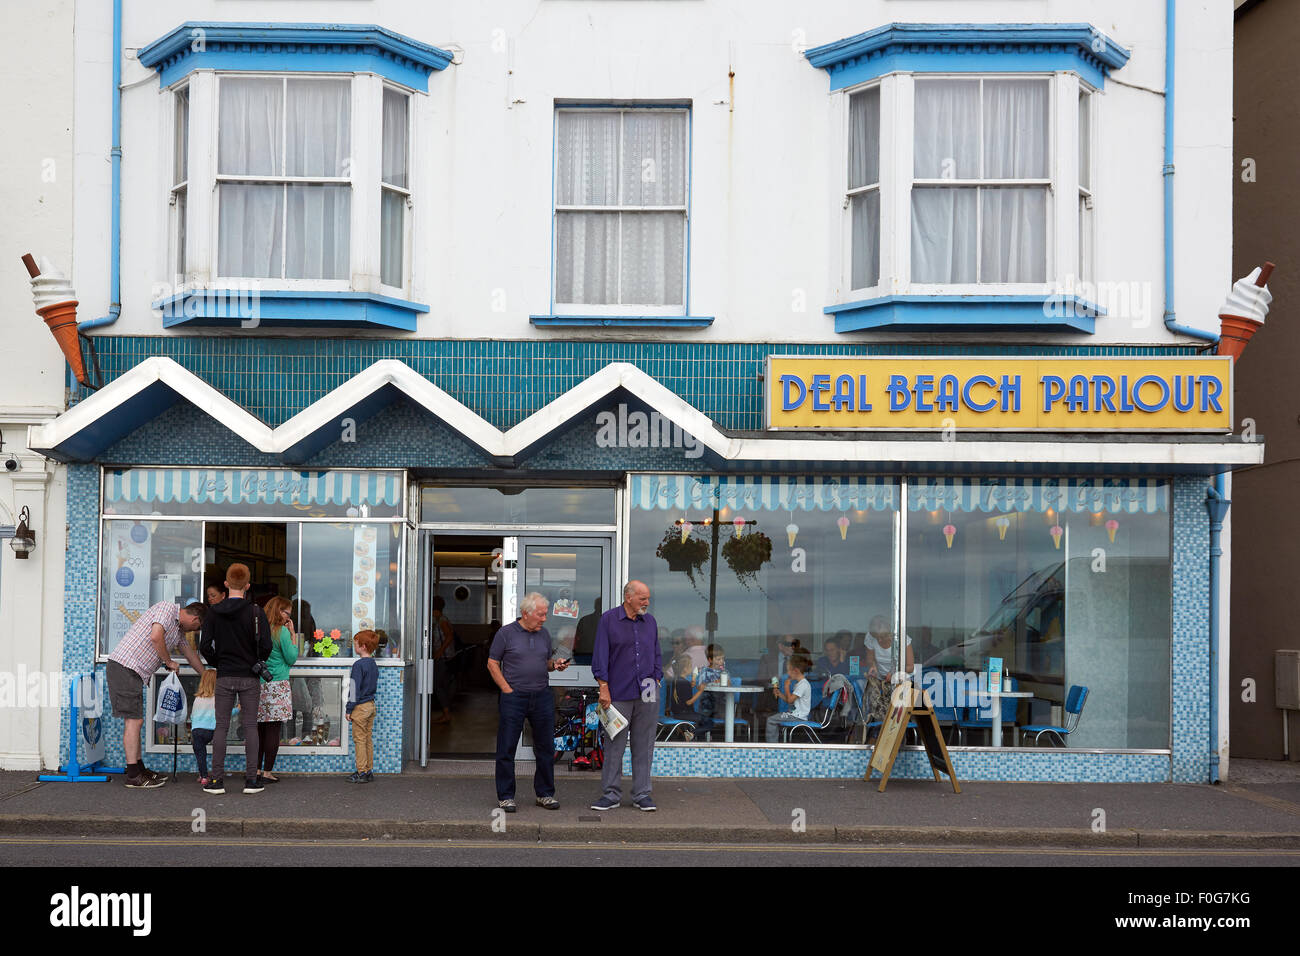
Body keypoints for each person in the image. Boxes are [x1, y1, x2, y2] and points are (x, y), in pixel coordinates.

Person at [106, 600, 207, 788]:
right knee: (133, 721)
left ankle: (138, 769)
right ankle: (133, 775)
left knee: (136, 720)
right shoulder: (167, 608)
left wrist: (206, 676)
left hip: (133, 671)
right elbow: (156, 636)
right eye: (198, 627)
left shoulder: (178, 631)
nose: (195, 631)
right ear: (195, 619)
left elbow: (190, 655)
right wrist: (168, 662)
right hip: (125, 666)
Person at [486, 592, 569, 812]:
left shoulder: (544, 634)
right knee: (506, 748)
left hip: (541, 695)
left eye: (545, 614)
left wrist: (556, 665)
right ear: (526, 613)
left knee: (545, 748)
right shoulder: (506, 634)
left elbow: (546, 662)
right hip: (514, 697)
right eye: (540, 614)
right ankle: (505, 796)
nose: (544, 618)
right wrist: (507, 690)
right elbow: (492, 663)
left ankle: (545, 794)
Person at [200, 563, 273, 796]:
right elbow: (266, 646)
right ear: (248, 585)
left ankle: (216, 782)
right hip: (250, 677)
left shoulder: (213, 612)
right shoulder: (255, 612)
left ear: (225, 584)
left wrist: (219, 662)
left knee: (221, 726)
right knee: (251, 726)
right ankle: (252, 781)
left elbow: (204, 647)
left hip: (224, 676)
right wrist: (256, 659)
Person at [591, 580, 661, 812]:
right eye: (643, 598)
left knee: (645, 745)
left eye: (648, 598)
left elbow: (657, 652)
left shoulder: (650, 622)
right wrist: (603, 686)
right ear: (628, 597)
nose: (647, 603)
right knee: (614, 745)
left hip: (648, 691)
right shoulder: (609, 620)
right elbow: (600, 655)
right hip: (617, 692)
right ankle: (611, 794)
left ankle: (642, 794)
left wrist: (657, 678)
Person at [255, 596, 300, 783]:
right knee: (273, 730)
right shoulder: (281, 631)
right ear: (278, 610)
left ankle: (255, 770)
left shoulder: (258, 629)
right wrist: (293, 636)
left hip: (258, 683)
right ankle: (267, 773)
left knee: (258, 730)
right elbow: (291, 658)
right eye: (286, 612)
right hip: (278, 685)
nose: (288, 617)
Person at [864, 615, 914, 726]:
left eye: (882, 637)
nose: (879, 640)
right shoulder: (870, 637)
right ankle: (879, 728)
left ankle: (898, 729)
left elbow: (910, 667)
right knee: (876, 703)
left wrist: (895, 675)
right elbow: (870, 660)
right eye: (877, 637)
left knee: (896, 707)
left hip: (901, 678)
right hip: (881, 678)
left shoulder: (902, 639)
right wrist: (873, 667)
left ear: (890, 633)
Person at [346, 629, 380, 783]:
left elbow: (354, 689)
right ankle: (368, 770)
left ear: (364, 646)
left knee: (359, 740)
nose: (354, 646)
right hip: (371, 705)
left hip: (360, 707)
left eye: (356, 644)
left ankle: (361, 772)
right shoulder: (373, 663)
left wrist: (349, 709)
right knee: (367, 739)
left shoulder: (358, 665)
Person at [766, 653, 813, 743]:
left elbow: (790, 699)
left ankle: (771, 746)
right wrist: (780, 694)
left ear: (795, 670)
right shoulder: (800, 683)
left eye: (788, 670)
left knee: (771, 720)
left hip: (797, 717)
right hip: (794, 714)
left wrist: (786, 687)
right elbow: (789, 701)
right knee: (773, 718)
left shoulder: (803, 684)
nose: (787, 673)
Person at [666, 654, 712, 739]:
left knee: (702, 721)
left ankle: (693, 736)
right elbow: (688, 702)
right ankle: (692, 734)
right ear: (685, 669)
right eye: (690, 665)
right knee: (709, 722)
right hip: (685, 714)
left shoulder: (676, 681)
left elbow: (681, 694)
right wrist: (700, 691)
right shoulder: (685, 683)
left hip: (677, 713)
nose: (692, 668)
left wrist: (691, 686)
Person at [430, 595, 455, 725]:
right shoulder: (439, 619)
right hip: (444, 657)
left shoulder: (441, 620)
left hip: (443, 658)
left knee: (438, 686)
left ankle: (446, 713)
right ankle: (446, 712)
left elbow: (449, 636)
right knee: (441, 685)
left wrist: (439, 651)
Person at [191, 669, 218, 786]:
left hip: (197, 731)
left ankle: (203, 776)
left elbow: (192, 716)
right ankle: (209, 774)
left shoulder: (197, 699)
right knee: (216, 751)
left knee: (200, 754)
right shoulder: (217, 699)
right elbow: (224, 713)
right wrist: (238, 709)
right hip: (211, 730)